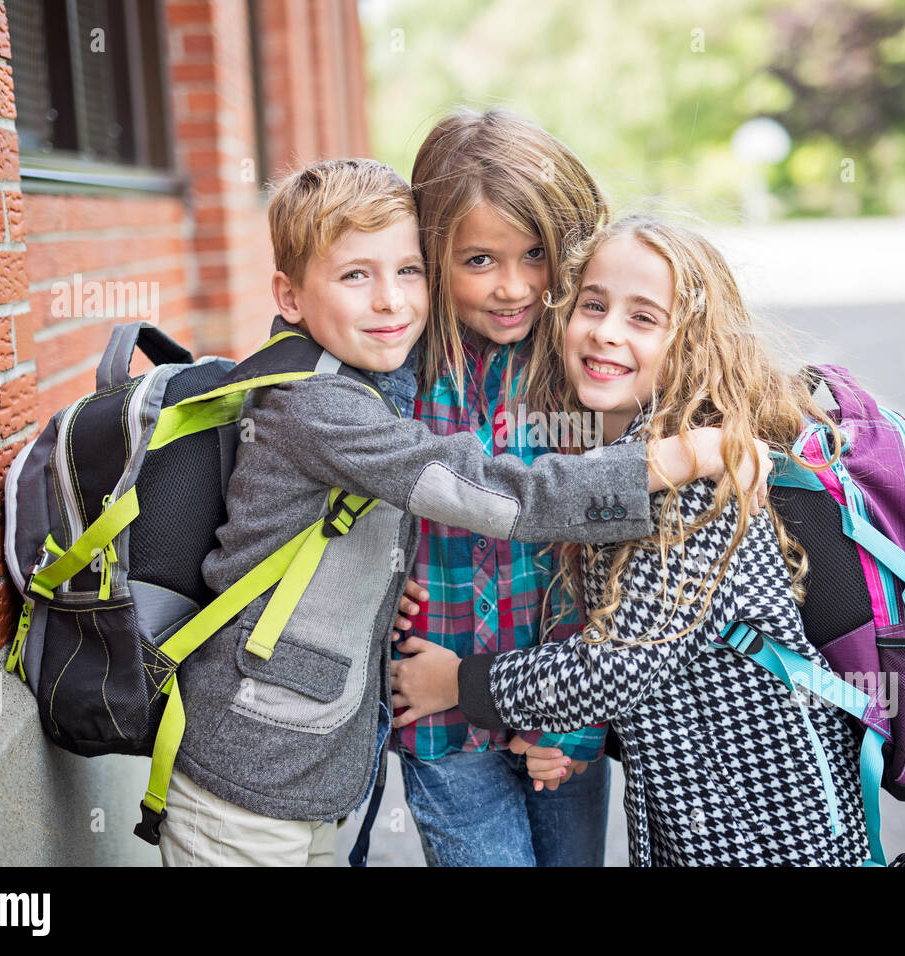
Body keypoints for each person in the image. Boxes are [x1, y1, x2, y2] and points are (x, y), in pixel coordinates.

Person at [158, 162, 771, 866]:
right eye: (356, 276)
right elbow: (484, 491)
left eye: (405, 273)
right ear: (289, 296)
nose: (389, 302)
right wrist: (677, 460)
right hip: (261, 766)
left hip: (326, 771)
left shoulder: (547, 370)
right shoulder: (332, 399)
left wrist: (386, 592)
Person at [392, 215, 869, 866]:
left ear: (694, 345)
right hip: (708, 813)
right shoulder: (638, 455)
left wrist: (457, 682)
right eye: (594, 304)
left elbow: (615, 668)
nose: (607, 330)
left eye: (643, 318)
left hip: (764, 829)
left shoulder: (692, 487)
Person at [390, 109, 614, 867]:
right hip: (437, 714)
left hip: (559, 711)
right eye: (479, 260)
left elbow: (613, 570)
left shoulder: (582, 376)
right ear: (430, 254)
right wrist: (381, 582)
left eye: (534, 255)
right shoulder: (400, 377)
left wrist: (577, 730)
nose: (513, 286)